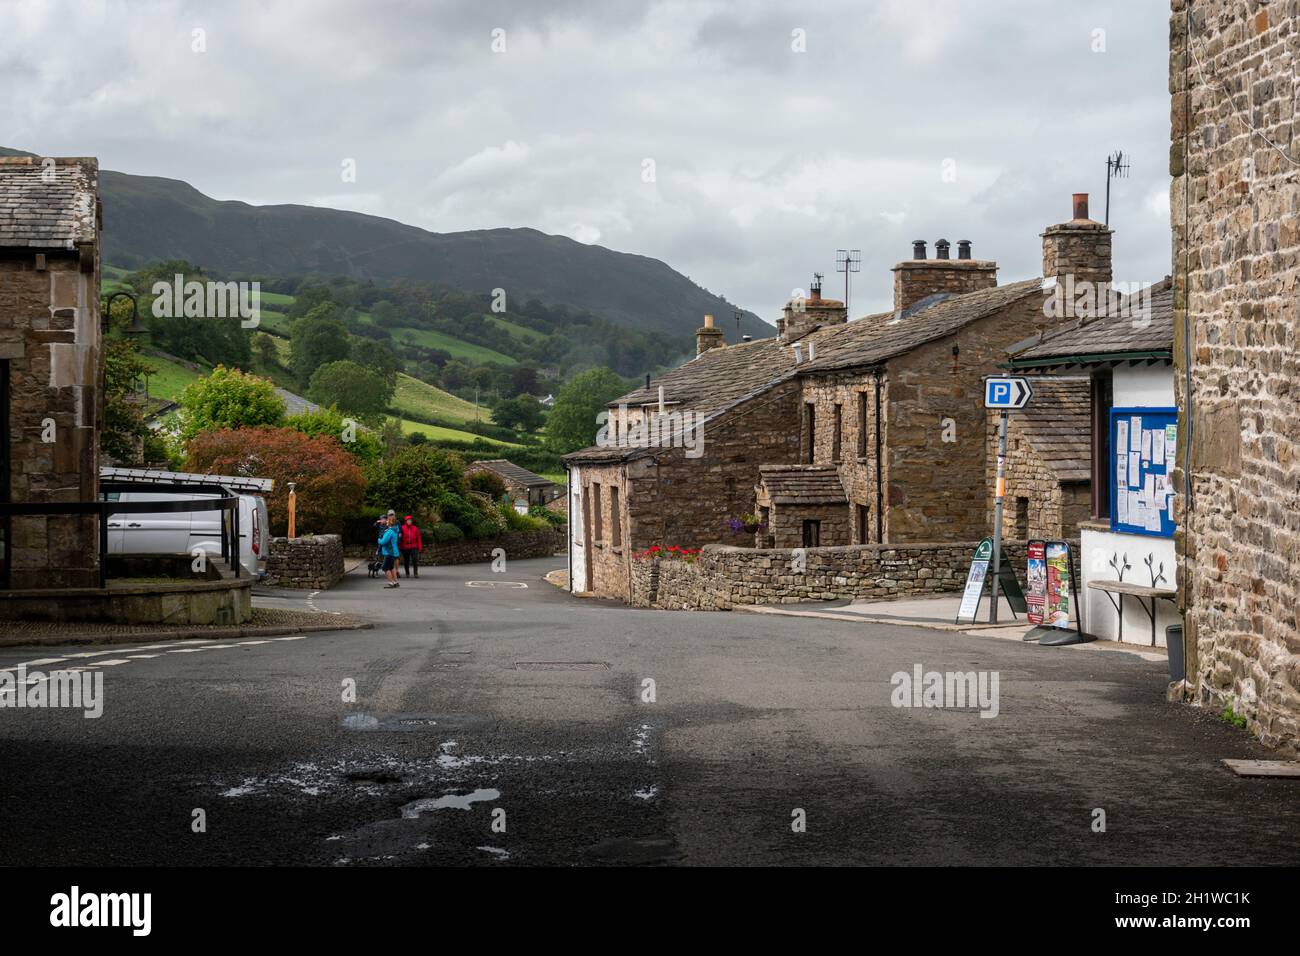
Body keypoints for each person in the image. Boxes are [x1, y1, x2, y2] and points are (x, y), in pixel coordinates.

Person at [378, 515, 401, 588]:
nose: (386, 521)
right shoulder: (394, 530)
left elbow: (383, 542)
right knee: (391, 567)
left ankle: (391, 583)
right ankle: (395, 582)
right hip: (393, 552)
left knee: (385, 568)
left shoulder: (390, 531)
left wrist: (379, 540)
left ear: (391, 522)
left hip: (389, 552)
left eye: (388, 520)